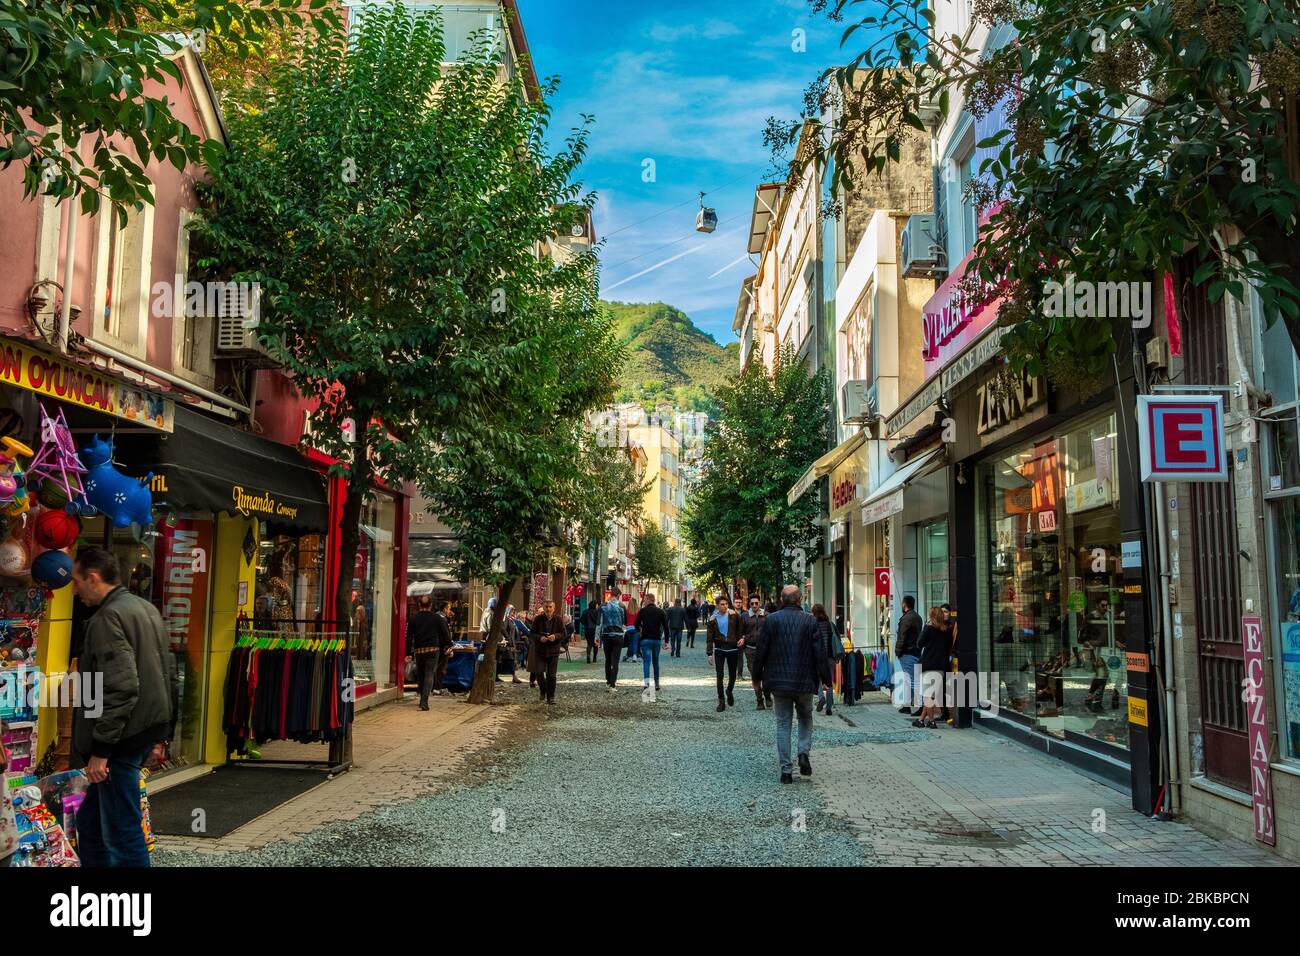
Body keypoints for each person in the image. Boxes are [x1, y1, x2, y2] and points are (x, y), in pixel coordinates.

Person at [70, 548, 178, 867]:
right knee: (92, 824)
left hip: (120, 740)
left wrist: (101, 750)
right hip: (140, 730)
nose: (75, 591)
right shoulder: (144, 608)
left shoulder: (107, 618)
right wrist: (162, 733)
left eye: (77, 583)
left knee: (121, 831)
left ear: (93, 578)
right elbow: (168, 673)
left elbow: (121, 687)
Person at [753, 585, 831, 784]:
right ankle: (803, 752)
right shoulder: (810, 620)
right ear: (799, 599)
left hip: (779, 682)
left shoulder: (771, 620)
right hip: (804, 681)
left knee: (783, 724)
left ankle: (786, 771)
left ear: (782, 599)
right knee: (805, 718)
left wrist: (757, 677)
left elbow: (761, 650)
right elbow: (819, 654)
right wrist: (827, 680)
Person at [406, 596, 450, 710]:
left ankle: (422, 696)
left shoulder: (413, 619)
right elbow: (445, 634)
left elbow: (409, 638)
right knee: (429, 673)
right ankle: (424, 701)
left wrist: (408, 653)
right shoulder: (437, 618)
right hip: (433, 650)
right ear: (430, 606)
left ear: (419, 605)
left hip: (419, 651)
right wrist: (450, 646)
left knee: (421, 674)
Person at [913, 607, 950, 728]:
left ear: (932, 617)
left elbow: (919, 643)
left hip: (928, 665)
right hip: (941, 666)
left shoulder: (928, 628)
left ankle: (932, 721)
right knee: (931, 695)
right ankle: (920, 720)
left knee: (928, 695)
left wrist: (925, 627)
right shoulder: (947, 631)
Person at [706, 596, 743, 712]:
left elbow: (741, 628)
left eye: (726, 604)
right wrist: (709, 653)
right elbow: (709, 638)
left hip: (732, 649)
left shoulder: (734, 615)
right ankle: (721, 701)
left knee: (732, 675)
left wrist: (741, 638)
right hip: (720, 650)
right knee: (719, 675)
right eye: (722, 604)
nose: (725, 606)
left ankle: (729, 691)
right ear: (717, 605)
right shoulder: (712, 619)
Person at [811, 604, 843, 715]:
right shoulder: (831, 625)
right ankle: (829, 708)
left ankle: (821, 698)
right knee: (829, 682)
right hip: (830, 658)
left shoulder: (813, 625)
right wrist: (837, 656)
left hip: (818, 658)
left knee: (818, 679)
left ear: (814, 613)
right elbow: (838, 639)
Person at [895, 595, 924, 715]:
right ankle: (907, 704)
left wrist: (898, 650)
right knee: (908, 680)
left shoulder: (906, 618)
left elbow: (902, 636)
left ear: (904, 604)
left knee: (913, 681)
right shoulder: (917, 617)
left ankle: (920, 706)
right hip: (915, 651)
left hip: (908, 652)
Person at [741, 596, 771, 709]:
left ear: (760, 603)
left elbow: (771, 631)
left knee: (766, 675)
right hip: (750, 649)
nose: (754, 605)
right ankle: (759, 700)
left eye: (756, 603)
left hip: (765, 650)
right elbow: (741, 631)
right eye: (752, 603)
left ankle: (767, 695)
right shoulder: (745, 616)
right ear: (749, 604)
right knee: (755, 676)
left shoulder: (767, 616)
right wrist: (742, 639)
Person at [532, 601, 564, 705]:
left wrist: (555, 636)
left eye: (550, 607)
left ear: (554, 608)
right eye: (546, 607)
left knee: (551, 675)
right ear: (544, 608)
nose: (548, 609)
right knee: (539, 673)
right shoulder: (538, 619)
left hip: (553, 650)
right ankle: (543, 689)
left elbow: (564, 634)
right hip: (540, 650)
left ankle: (551, 697)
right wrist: (540, 638)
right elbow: (532, 633)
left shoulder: (558, 619)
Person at [637, 593, 668, 694]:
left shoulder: (642, 611)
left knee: (646, 662)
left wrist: (640, 630)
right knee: (656, 662)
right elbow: (666, 627)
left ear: (649, 600)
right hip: (656, 640)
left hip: (645, 639)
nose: (644, 602)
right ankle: (657, 684)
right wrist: (666, 641)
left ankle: (646, 684)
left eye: (645, 600)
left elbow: (636, 624)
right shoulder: (660, 611)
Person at [600, 590, 627, 691]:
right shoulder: (621, 606)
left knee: (608, 659)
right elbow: (625, 621)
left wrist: (597, 638)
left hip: (606, 635)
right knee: (615, 661)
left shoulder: (603, 606)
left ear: (611, 595)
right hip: (618, 636)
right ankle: (613, 684)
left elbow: (599, 623)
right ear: (619, 595)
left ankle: (607, 680)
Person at [581, 599, 603, 663]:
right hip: (595, 630)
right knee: (595, 644)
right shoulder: (597, 612)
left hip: (587, 629)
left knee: (589, 644)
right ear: (595, 605)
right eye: (597, 605)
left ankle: (588, 655)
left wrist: (586, 624)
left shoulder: (585, 611)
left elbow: (582, 620)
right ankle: (594, 658)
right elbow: (599, 622)